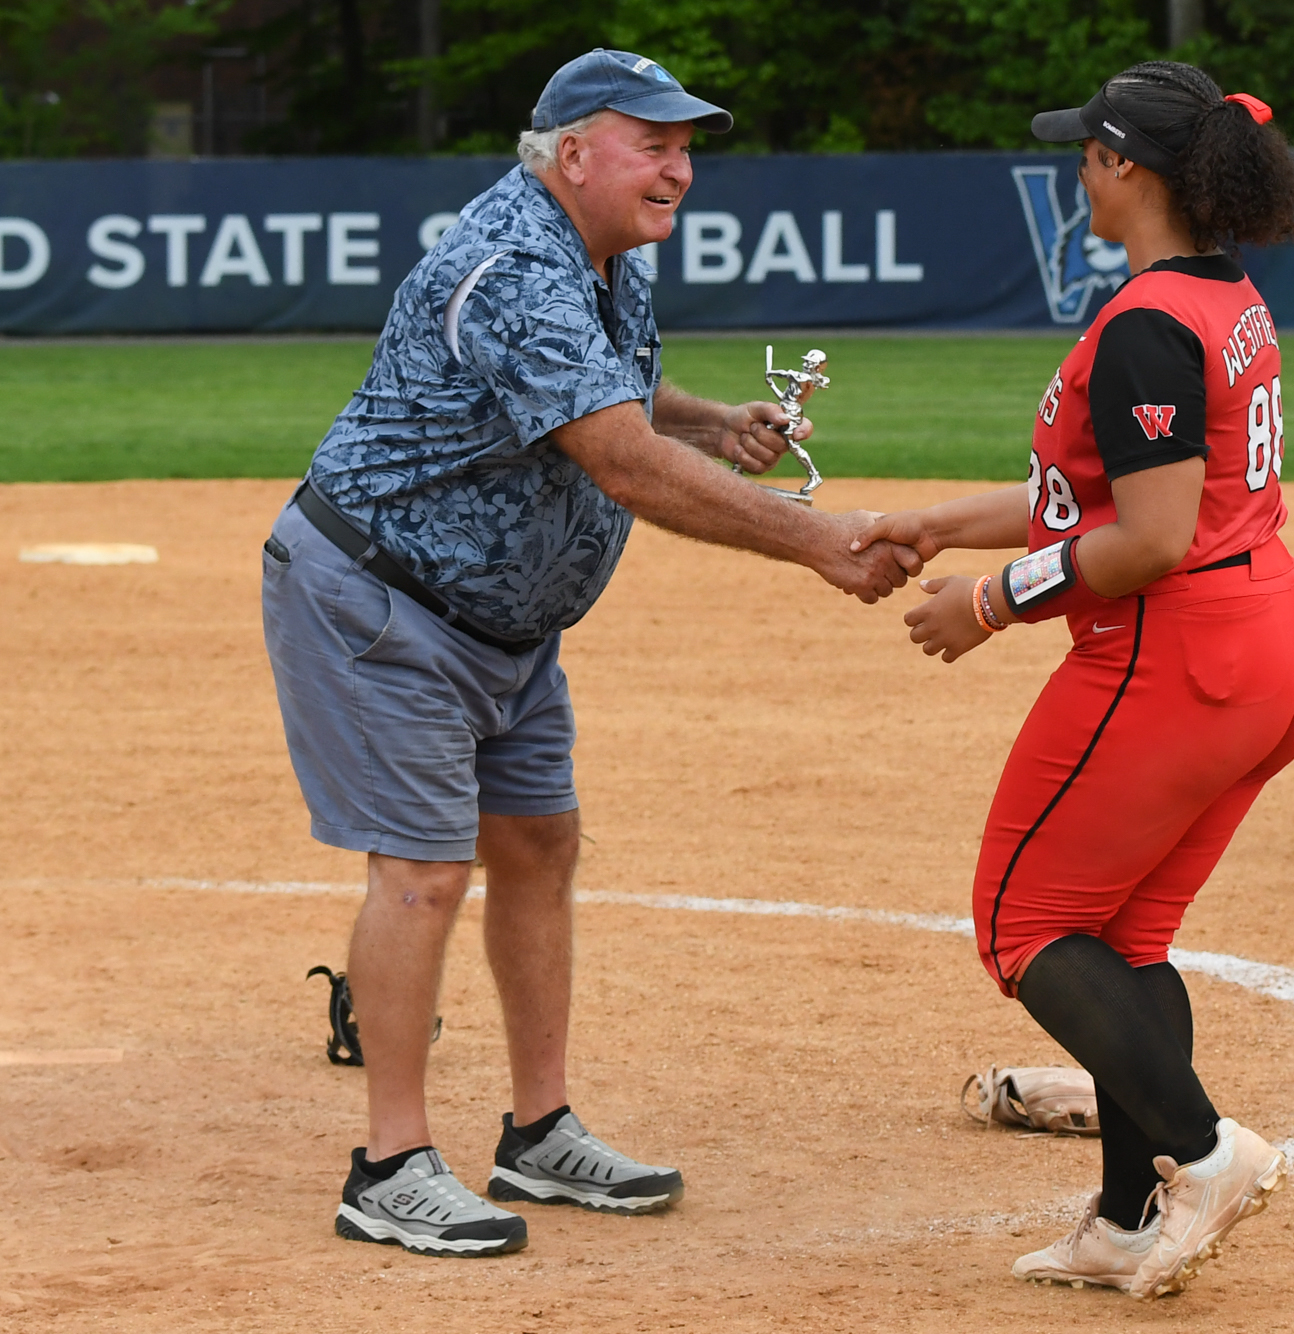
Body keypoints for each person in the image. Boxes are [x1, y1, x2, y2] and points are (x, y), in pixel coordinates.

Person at [260, 49, 918, 1258]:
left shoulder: (602, 255)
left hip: (504, 622)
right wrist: (821, 542)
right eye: (651, 143)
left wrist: (712, 417)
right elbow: (615, 455)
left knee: (538, 844)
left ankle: (539, 1128)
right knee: (422, 870)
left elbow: (618, 386)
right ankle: (388, 1161)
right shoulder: (510, 262)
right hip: (384, 598)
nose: (678, 166)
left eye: (685, 147)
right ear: (571, 154)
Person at [855, 62, 1294, 1299]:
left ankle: (1207, 1152)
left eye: (1089, 152)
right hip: (1266, 638)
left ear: (1128, 170)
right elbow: (1097, 496)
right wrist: (935, 522)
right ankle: (1122, 1221)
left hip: (1179, 647)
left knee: (1024, 924)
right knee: (1124, 934)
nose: (1078, 170)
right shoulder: (1213, 294)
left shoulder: (1144, 326)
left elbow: (1150, 537)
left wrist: (985, 602)